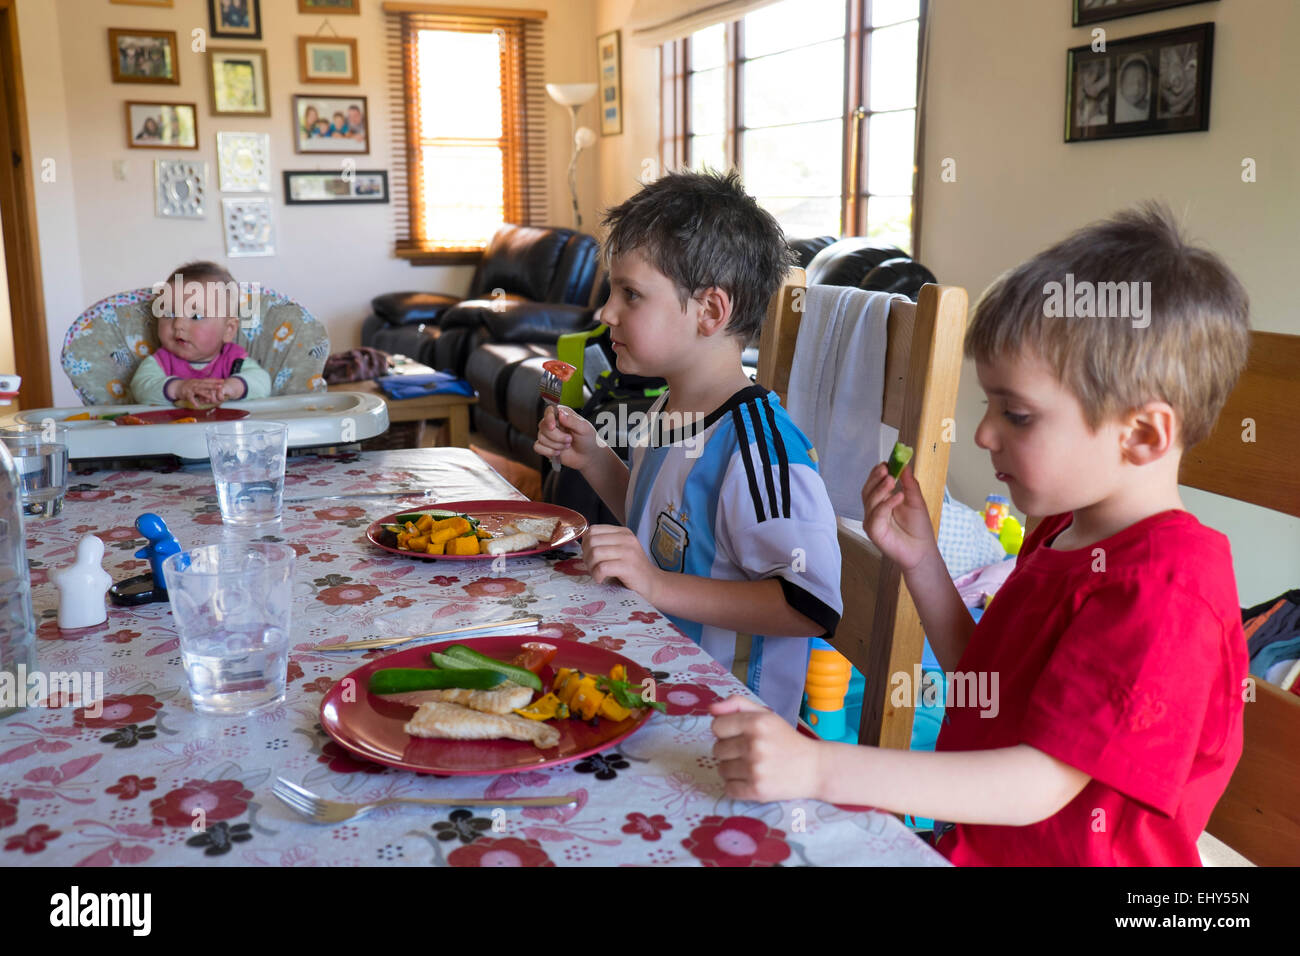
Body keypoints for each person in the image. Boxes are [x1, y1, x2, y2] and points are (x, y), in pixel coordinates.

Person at [708, 202, 1253, 865]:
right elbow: (986, 682)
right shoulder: (1061, 530)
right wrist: (922, 564)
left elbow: (1037, 783)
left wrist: (820, 768)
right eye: (990, 404)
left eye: (1017, 415)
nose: (984, 434)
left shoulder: (1167, 590)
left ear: (1142, 434)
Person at [534, 169, 843, 725]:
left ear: (710, 311)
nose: (606, 313)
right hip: (653, 684)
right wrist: (596, 459)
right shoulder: (667, 407)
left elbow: (807, 606)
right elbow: (665, 520)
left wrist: (655, 584)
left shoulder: (759, 451)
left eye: (630, 294)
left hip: (724, 722)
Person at [131, 261, 271, 407]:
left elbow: (262, 383)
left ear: (228, 329)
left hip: (224, 429)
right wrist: (178, 388)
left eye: (195, 316)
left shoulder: (235, 361)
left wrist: (230, 388)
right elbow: (141, 388)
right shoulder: (160, 362)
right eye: (168, 314)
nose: (178, 324)